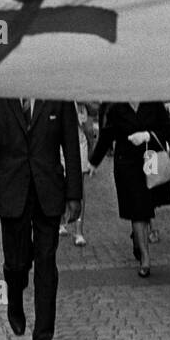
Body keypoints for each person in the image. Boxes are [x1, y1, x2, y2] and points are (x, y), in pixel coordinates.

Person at [0, 98, 82, 340]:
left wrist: (74, 193)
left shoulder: (55, 89)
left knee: (46, 264)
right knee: (17, 261)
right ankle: (14, 295)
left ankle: (43, 337)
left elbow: (71, 143)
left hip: (49, 189)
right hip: (11, 189)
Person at [89, 101, 170, 277]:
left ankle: (139, 238)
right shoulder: (116, 107)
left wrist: (148, 135)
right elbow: (106, 136)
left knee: (146, 204)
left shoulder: (153, 104)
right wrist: (93, 162)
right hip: (126, 162)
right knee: (137, 209)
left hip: (150, 159)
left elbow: (169, 130)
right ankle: (145, 257)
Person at [60, 102, 95, 247]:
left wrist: (91, 149)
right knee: (62, 184)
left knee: (77, 187)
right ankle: (64, 223)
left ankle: (77, 229)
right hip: (62, 146)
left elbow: (88, 127)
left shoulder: (80, 102)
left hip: (78, 146)